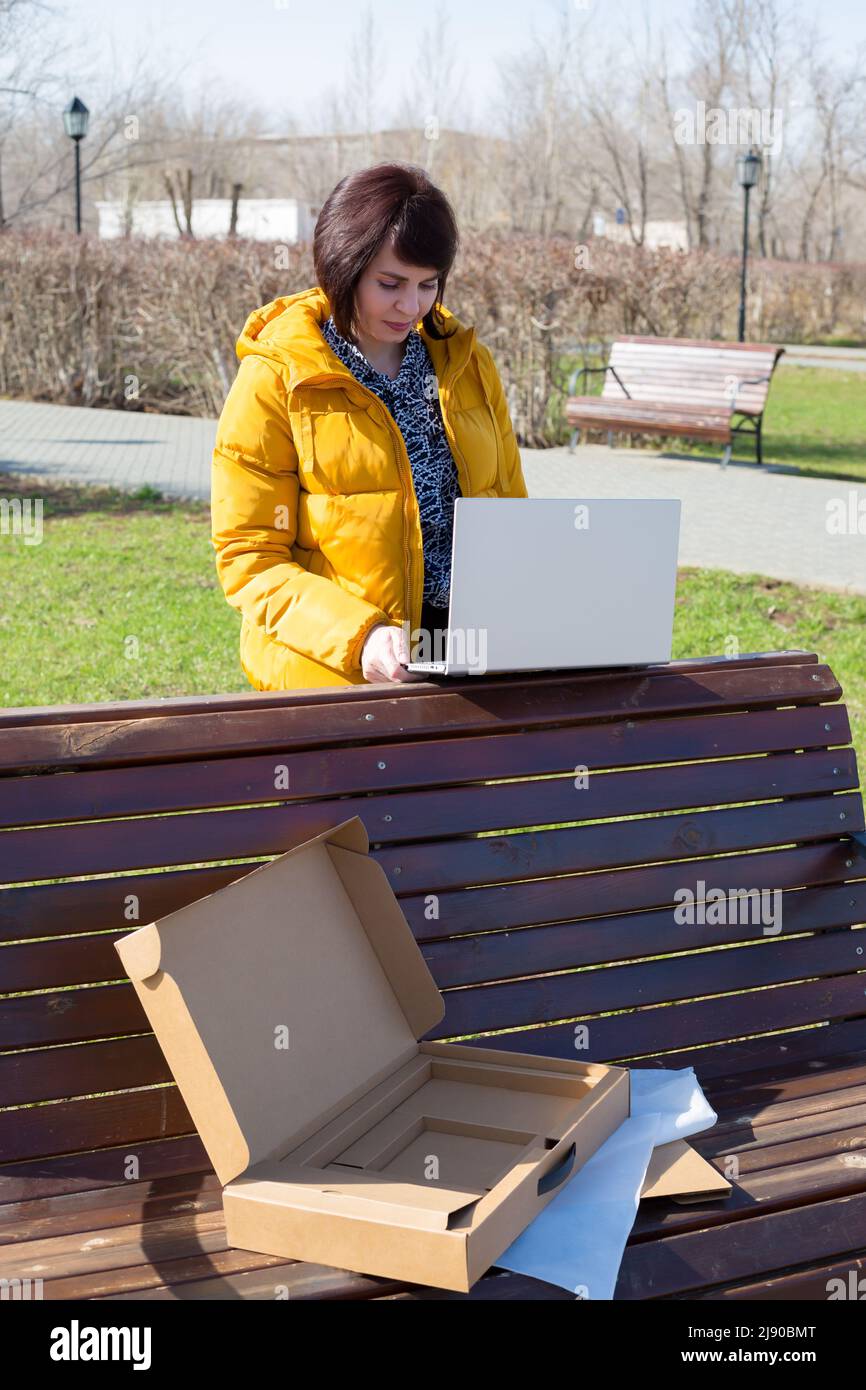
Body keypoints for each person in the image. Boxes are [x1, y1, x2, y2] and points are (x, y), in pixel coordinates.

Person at [210, 161, 528, 691]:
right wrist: (362, 637)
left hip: (468, 666)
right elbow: (250, 558)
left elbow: (514, 517)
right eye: (390, 283)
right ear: (343, 268)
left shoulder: (469, 365)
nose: (412, 305)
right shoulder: (278, 377)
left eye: (428, 284)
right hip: (336, 676)